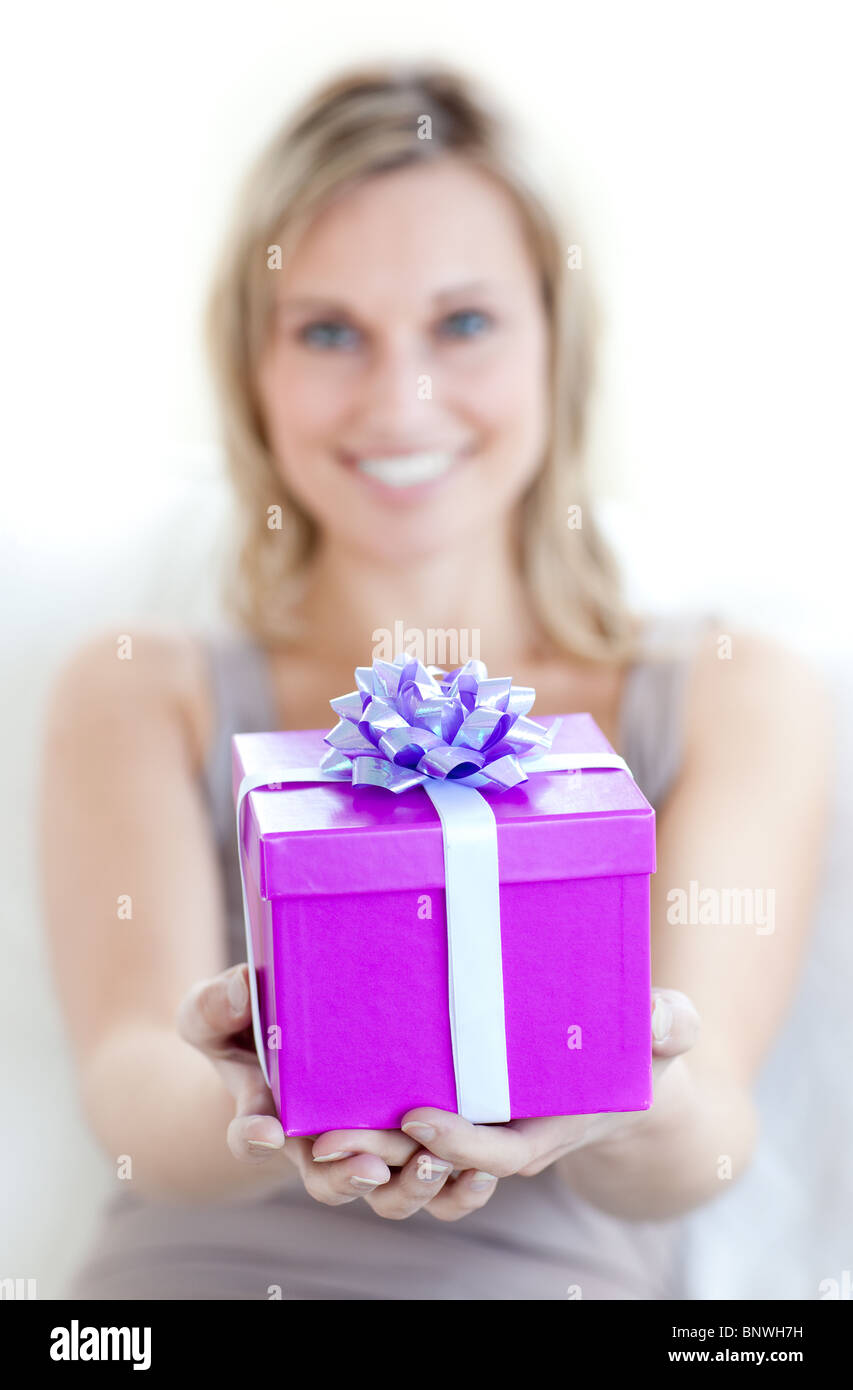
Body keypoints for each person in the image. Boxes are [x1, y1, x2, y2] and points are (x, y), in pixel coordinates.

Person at [41, 64, 831, 1300]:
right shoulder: (143, 689)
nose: (399, 399)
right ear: (254, 367)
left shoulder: (739, 694)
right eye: (328, 329)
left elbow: (707, 1132)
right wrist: (272, 1093)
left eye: (462, 324)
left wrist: (627, 1092)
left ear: (555, 347)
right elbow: (133, 1089)